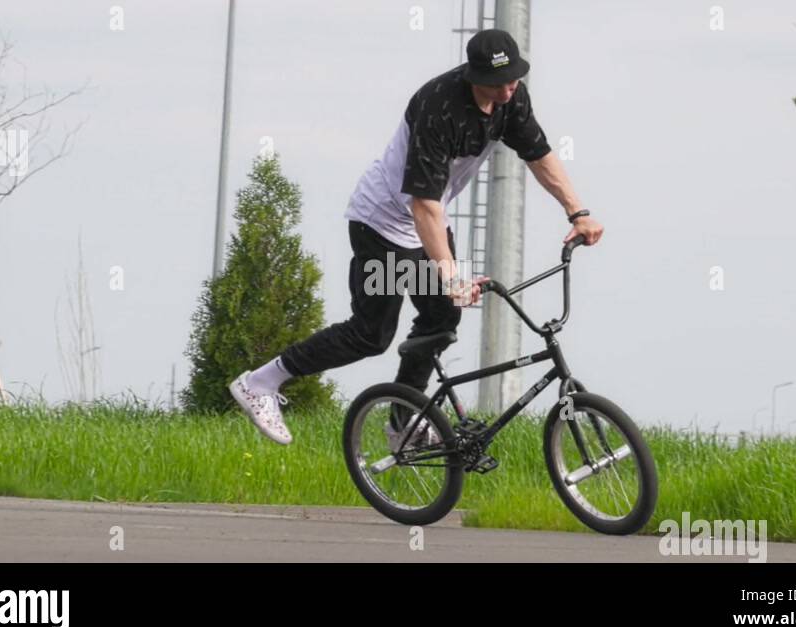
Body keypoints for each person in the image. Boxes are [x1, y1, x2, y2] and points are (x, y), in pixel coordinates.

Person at [229, 29, 603, 445]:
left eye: (514, 78)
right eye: (499, 82)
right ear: (473, 75)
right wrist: (451, 278)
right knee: (371, 334)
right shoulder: (439, 105)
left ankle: (403, 420)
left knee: (443, 316)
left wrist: (578, 212)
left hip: (428, 225)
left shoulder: (510, 99)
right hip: (382, 224)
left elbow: (538, 152)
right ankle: (261, 382)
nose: (509, 88)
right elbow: (422, 204)